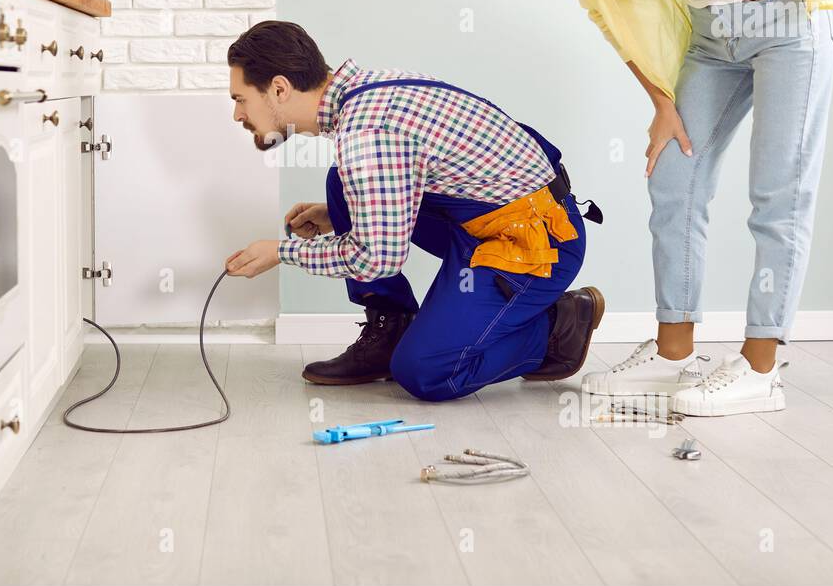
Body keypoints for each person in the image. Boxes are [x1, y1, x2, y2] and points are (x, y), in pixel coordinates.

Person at [494, 0, 833, 416]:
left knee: (776, 197)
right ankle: (674, 353)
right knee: (676, 185)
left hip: (786, 22)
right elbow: (607, 15)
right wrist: (661, 101)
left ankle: (762, 368)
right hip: (712, 40)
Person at [222, 20, 604, 402]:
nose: (238, 115)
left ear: (279, 88)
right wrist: (338, 210)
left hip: (535, 244)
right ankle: (390, 332)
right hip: (486, 219)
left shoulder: (368, 132)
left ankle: (557, 328)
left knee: (426, 371)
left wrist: (279, 252)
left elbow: (375, 260)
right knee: (343, 184)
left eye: (240, 99)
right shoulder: (368, 89)